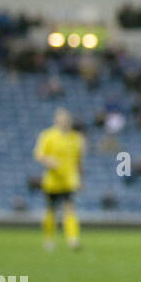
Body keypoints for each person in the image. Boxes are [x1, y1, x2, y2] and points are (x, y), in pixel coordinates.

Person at [34, 107, 84, 251]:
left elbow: (79, 160)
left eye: (66, 119)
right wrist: (48, 160)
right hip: (53, 180)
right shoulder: (48, 135)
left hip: (69, 180)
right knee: (51, 210)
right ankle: (49, 239)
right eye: (61, 119)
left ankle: (73, 239)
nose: (64, 122)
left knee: (70, 209)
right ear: (56, 120)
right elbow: (39, 154)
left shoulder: (76, 138)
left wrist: (82, 177)